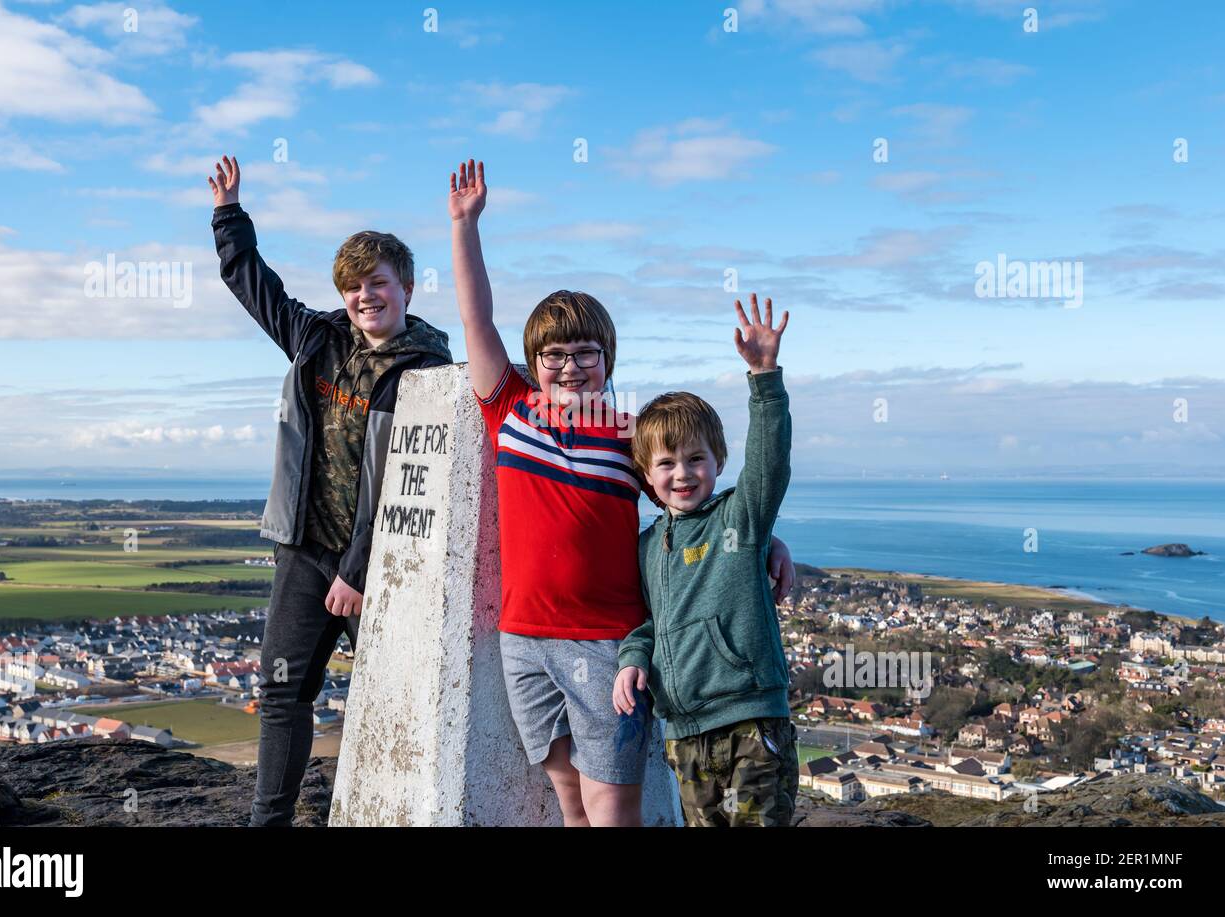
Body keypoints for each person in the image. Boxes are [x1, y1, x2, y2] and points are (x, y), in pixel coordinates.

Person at [449, 158, 795, 826]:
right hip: (521, 639)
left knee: (612, 808)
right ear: (534, 363)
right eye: (553, 355)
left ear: (608, 360)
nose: (569, 365)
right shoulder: (510, 411)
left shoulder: (629, 436)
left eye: (584, 353)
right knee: (569, 796)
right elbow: (477, 320)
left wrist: (763, 537)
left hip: (606, 643)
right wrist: (465, 226)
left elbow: (687, 493)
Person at [209, 155, 452, 826]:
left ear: (405, 285)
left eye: (377, 283)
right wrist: (229, 213)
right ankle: (270, 821)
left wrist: (357, 569)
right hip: (302, 548)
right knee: (283, 691)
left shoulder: (429, 372)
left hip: (378, 563)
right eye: (352, 287)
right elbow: (254, 285)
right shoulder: (316, 338)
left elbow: (407, 484)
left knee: (397, 695)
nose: (364, 296)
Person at [613, 293, 798, 827]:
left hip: (751, 720)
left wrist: (765, 376)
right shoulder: (650, 546)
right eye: (667, 463)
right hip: (685, 735)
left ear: (719, 460)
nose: (683, 473)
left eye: (696, 458)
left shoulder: (740, 517)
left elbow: (771, 462)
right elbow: (652, 625)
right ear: (648, 476)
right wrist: (631, 659)